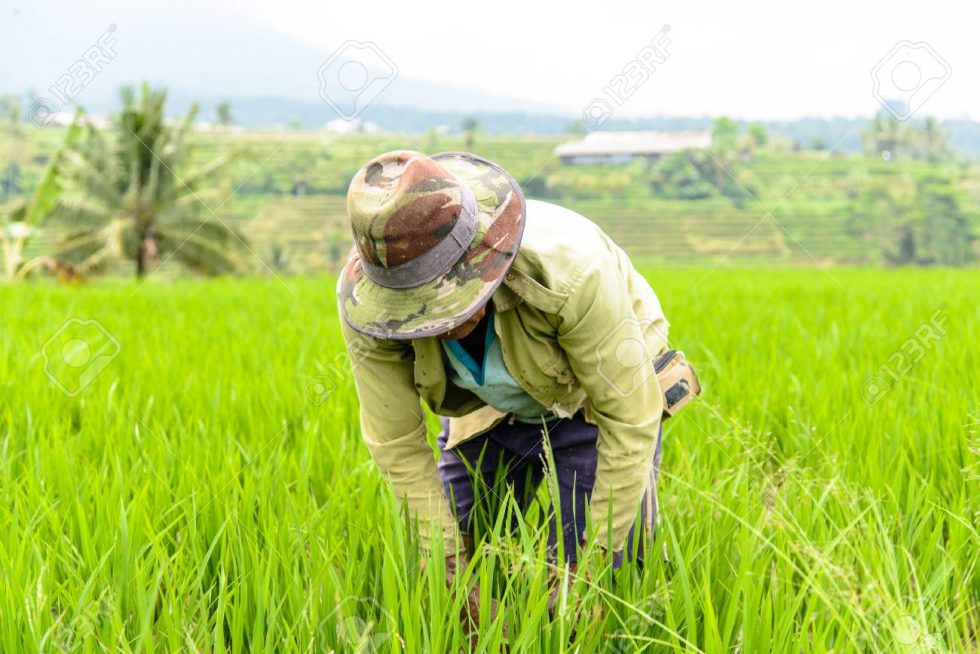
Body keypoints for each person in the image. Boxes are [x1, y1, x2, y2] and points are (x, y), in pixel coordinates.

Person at [337, 149, 683, 615]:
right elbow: (396, 441)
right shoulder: (371, 309)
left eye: (456, 294)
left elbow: (628, 417)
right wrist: (451, 573)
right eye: (423, 310)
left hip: (591, 394)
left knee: (602, 589)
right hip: (485, 403)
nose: (445, 321)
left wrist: (594, 566)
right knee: (445, 565)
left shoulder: (571, 272)